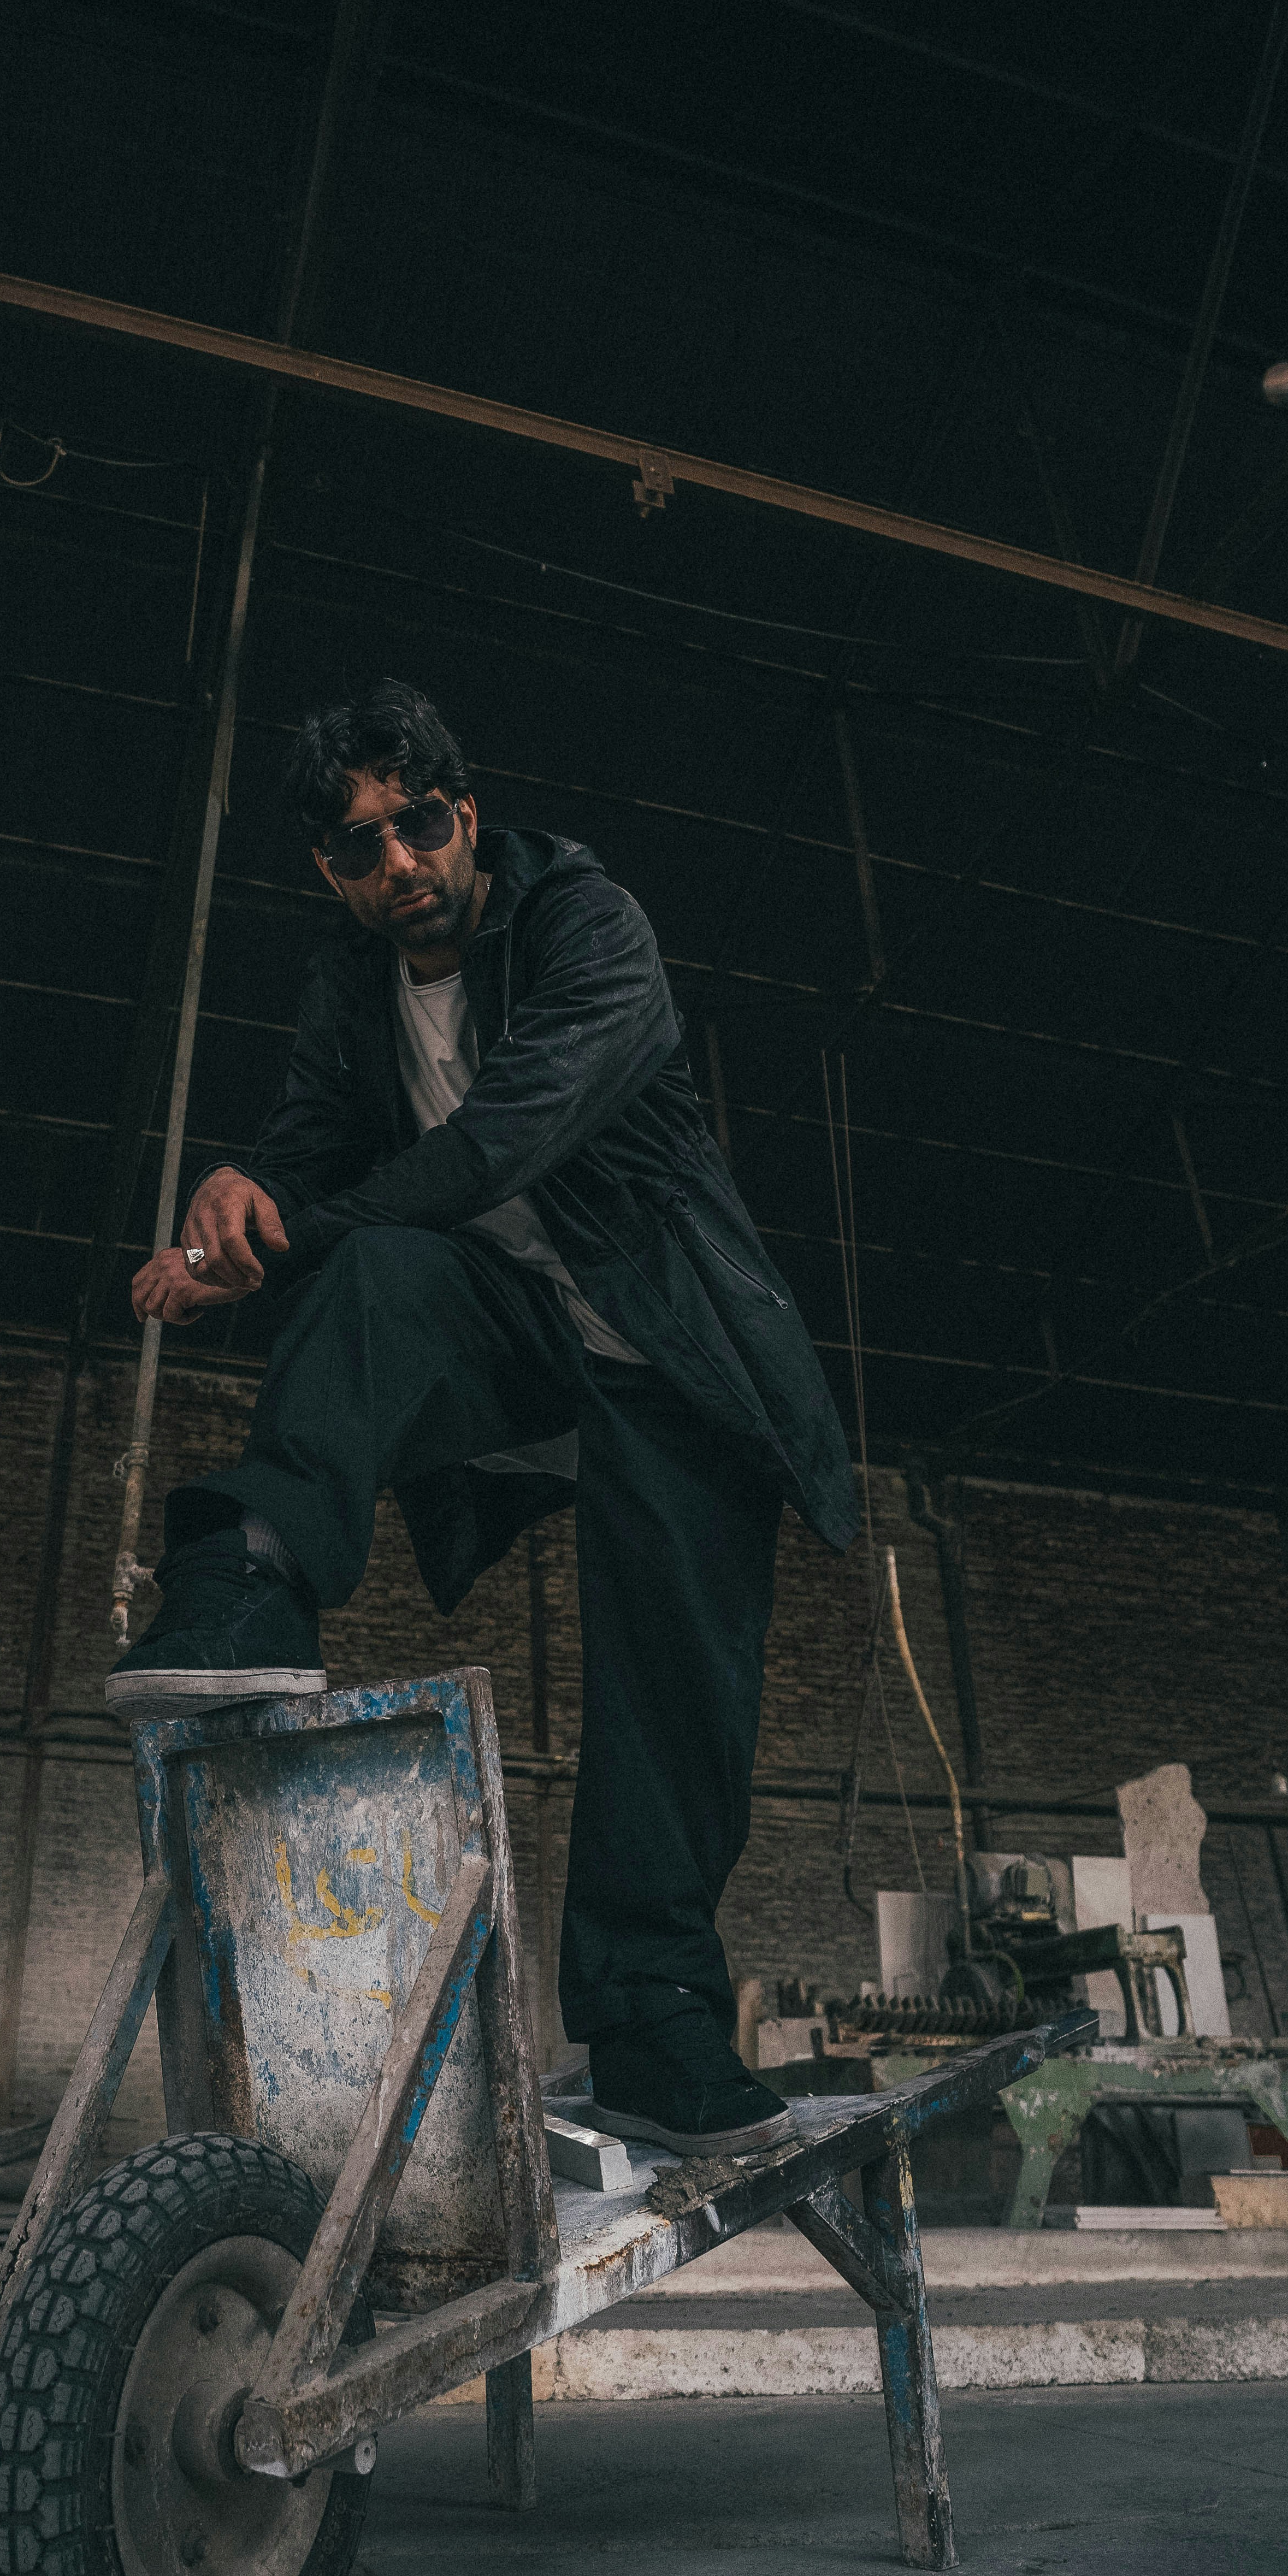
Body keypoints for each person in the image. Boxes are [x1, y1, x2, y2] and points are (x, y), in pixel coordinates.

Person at [110, 680, 858, 2158]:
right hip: (517, 1335)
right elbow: (313, 1153)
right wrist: (240, 1200)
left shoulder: (588, 927)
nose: (398, 864)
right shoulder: (350, 985)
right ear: (329, 871)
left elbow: (499, 1143)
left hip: (676, 1350)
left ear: (466, 812)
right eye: (359, 847)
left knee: (673, 1689)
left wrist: (287, 1235)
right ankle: (248, 1574)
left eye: (419, 825)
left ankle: (650, 2024)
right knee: (377, 1277)